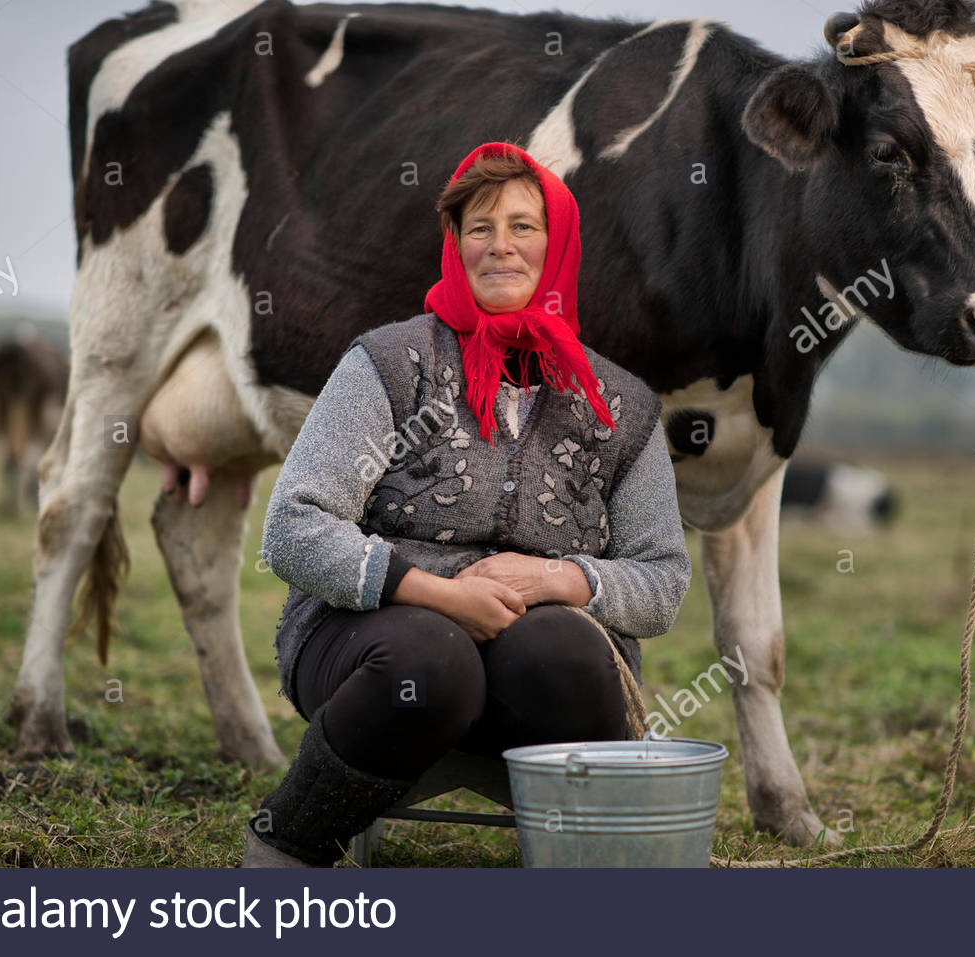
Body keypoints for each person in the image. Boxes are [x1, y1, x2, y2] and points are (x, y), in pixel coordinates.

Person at [241, 142, 690, 867]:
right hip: (374, 651)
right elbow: (294, 527)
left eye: (523, 226)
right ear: (455, 244)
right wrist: (441, 595)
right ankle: (290, 842)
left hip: (536, 666)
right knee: (434, 659)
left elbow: (663, 579)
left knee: (569, 651)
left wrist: (553, 580)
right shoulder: (388, 363)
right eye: (479, 227)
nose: (500, 245)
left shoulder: (620, 405)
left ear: (560, 243)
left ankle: (588, 879)